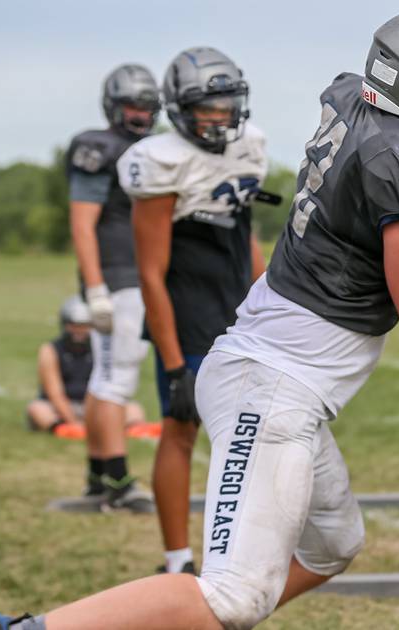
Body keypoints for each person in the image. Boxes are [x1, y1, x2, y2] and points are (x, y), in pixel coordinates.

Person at [0, 10, 399, 629]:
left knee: (332, 545)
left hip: (275, 371)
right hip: (273, 383)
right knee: (232, 596)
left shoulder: (358, 103)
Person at [121, 47, 269, 576]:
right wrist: (174, 361)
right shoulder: (160, 160)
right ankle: (178, 559)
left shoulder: (248, 146)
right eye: (209, 106)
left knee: (253, 432)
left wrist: (267, 299)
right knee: (180, 428)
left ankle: (245, 551)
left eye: (228, 103)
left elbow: (244, 234)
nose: (221, 114)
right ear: (182, 110)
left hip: (236, 304)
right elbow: (151, 273)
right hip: (183, 308)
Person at [66, 63, 160, 509]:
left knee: (107, 375)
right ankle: (119, 484)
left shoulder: (150, 148)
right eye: (132, 105)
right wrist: (96, 286)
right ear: (112, 105)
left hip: (131, 276)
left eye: (146, 106)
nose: (140, 115)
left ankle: (99, 476)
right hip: (118, 277)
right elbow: (82, 224)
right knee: (115, 378)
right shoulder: (98, 147)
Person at [27, 297, 149, 440]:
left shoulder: (100, 349)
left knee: (134, 409)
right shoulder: (50, 350)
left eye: (84, 326)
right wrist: (73, 422)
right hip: (63, 406)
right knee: (37, 409)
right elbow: (55, 394)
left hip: (93, 405)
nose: (79, 331)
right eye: (75, 325)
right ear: (65, 325)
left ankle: (131, 428)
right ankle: (65, 428)